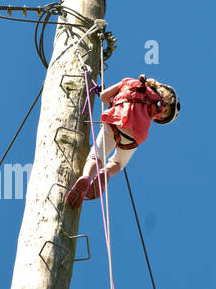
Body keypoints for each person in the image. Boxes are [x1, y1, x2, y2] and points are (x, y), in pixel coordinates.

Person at [66, 74, 180, 208]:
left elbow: (104, 96)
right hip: (135, 136)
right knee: (118, 163)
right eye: (165, 113)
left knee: (96, 156)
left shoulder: (130, 82)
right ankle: (106, 173)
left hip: (115, 121)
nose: (162, 115)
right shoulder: (157, 105)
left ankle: (86, 177)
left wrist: (113, 103)